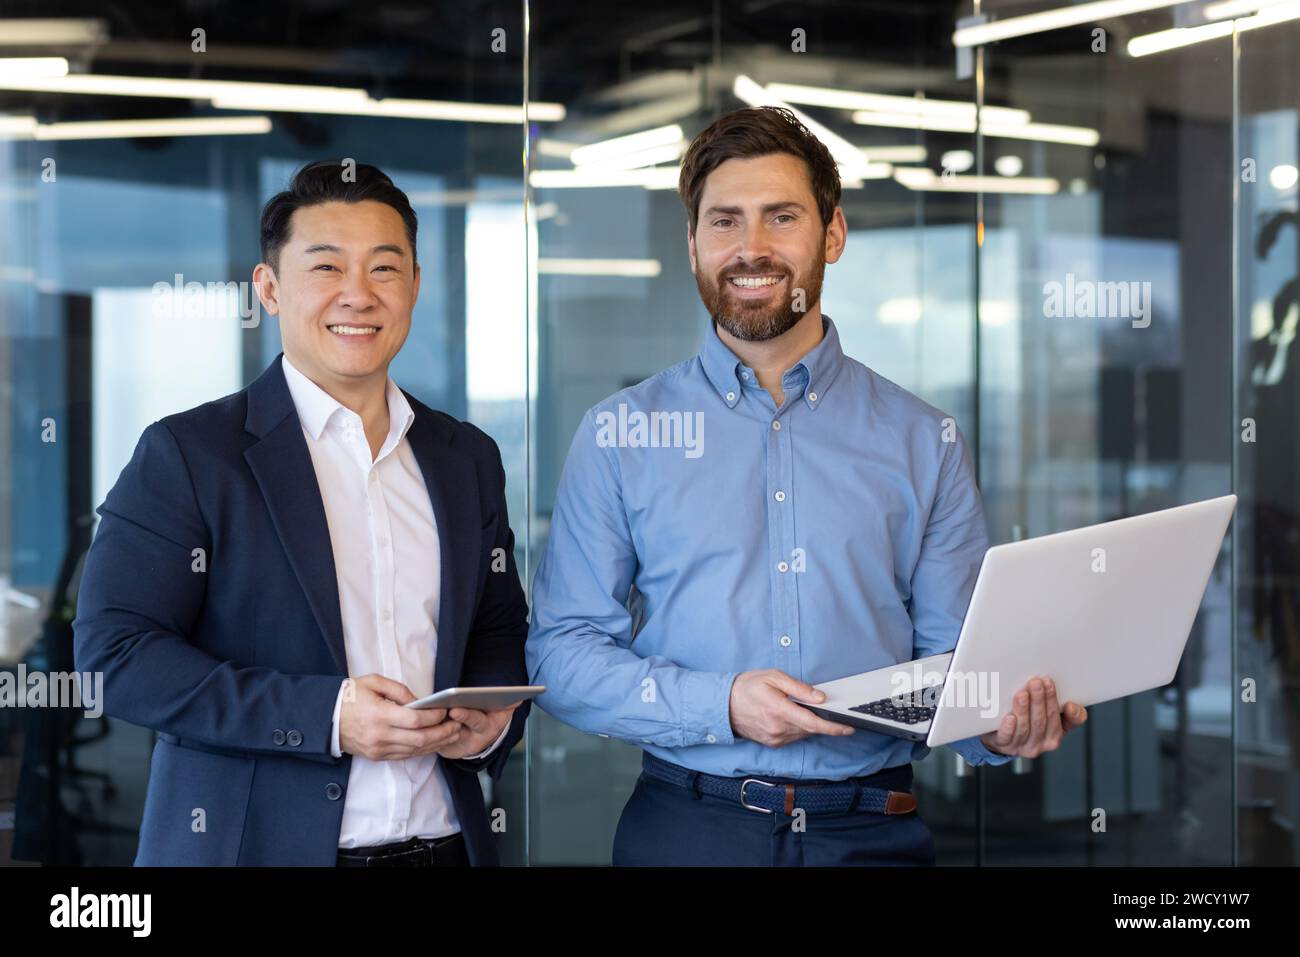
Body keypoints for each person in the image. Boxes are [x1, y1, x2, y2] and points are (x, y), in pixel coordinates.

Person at [526, 106, 1088, 866]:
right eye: (724, 222)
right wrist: (720, 703)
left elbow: (957, 659)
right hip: (688, 831)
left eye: (780, 217)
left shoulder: (925, 439)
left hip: (874, 833)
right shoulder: (618, 434)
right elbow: (561, 657)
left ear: (833, 235)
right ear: (692, 244)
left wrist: (998, 723)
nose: (750, 248)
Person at [73, 160, 529, 866]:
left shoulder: (465, 456)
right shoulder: (190, 455)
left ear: (414, 286)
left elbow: (498, 625)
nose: (358, 294)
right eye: (325, 267)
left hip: (446, 846)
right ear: (270, 288)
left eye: (385, 268)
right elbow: (116, 657)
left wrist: (494, 721)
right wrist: (328, 716)